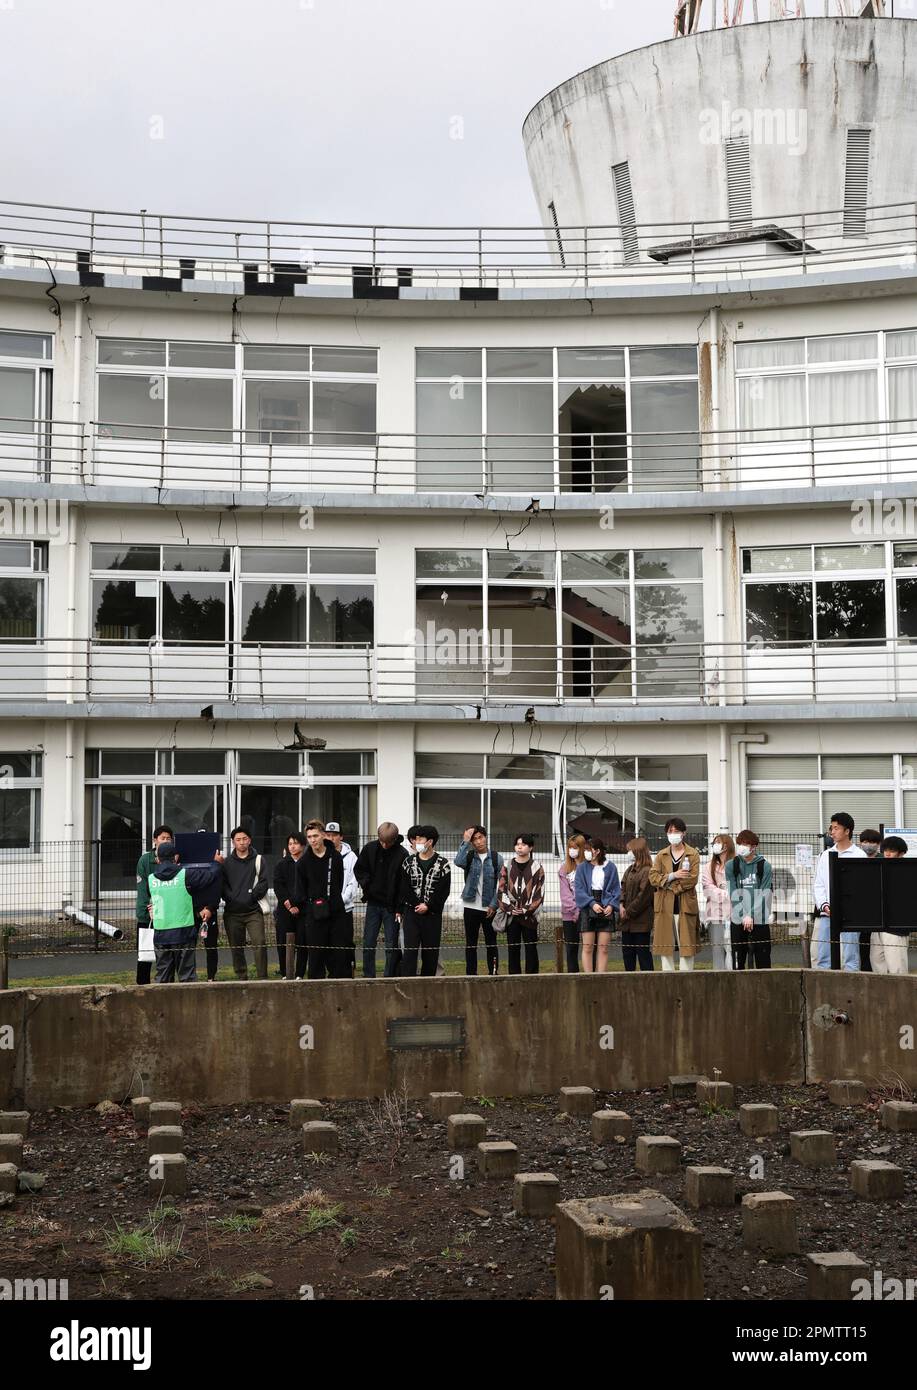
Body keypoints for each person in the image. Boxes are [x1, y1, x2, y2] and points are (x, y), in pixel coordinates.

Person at [148, 841, 223, 983]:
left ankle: (164, 1005)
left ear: (157, 859)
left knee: (163, 977)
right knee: (187, 977)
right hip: (184, 933)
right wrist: (216, 863)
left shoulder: (151, 879)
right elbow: (209, 877)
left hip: (161, 934)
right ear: (175, 858)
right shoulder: (185, 875)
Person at [812, 812, 866, 971]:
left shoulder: (859, 855)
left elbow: (861, 887)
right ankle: (823, 990)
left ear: (847, 831)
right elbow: (819, 884)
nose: (832, 832)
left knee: (850, 956)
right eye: (831, 828)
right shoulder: (825, 855)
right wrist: (824, 905)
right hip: (827, 912)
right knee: (824, 956)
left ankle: (852, 990)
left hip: (851, 914)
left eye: (836, 828)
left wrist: (851, 906)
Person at [354, 822, 409, 977]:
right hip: (373, 903)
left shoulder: (402, 854)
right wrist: (367, 885)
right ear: (378, 837)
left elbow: (403, 885)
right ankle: (368, 976)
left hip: (392, 908)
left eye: (388, 842)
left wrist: (400, 908)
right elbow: (359, 869)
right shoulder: (370, 849)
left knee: (391, 945)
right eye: (382, 841)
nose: (384, 845)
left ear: (395, 839)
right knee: (368, 943)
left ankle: (389, 976)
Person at [298, 820, 351, 979]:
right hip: (314, 913)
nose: (313, 840)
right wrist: (310, 905)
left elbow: (339, 883)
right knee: (316, 955)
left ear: (323, 835)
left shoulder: (335, 857)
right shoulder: (303, 862)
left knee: (339, 954)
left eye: (315, 835)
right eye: (309, 837)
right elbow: (300, 890)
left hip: (335, 910)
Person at [649, 817, 700, 972]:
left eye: (676, 831)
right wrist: (673, 876)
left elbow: (692, 879)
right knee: (665, 948)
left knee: (687, 948)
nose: (673, 834)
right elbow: (653, 877)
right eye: (670, 831)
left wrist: (672, 887)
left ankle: (686, 979)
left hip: (685, 906)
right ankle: (668, 980)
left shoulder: (693, 854)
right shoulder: (661, 854)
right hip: (665, 907)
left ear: (683, 833)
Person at [400, 825, 451, 976]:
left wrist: (428, 906)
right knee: (410, 952)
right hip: (411, 913)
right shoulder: (408, 863)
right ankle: (408, 984)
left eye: (420, 839)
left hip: (432, 915)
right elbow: (404, 888)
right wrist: (417, 904)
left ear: (429, 842)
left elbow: (443, 891)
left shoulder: (443, 864)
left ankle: (429, 985)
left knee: (430, 953)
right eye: (416, 839)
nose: (417, 842)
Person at [222, 826, 270, 980]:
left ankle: (262, 977)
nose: (241, 842)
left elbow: (263, 882)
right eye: (238, 840)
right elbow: (223, 885)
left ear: (249, 840)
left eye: (244, 839)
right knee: (236, 947)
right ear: (233, 842)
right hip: (232, 912)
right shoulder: (226, 863)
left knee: (260, 943)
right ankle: (242, 977)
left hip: (253, 911)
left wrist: (251, 896)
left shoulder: (258, 859)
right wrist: (232, 897)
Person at [455, 824, 502, 976]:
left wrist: (494, 905)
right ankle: (471, 975)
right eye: (474, 839)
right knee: (471, 944)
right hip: (470, 906)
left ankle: (493, 973)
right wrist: (465, 841)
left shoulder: (496, 858)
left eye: (480, 838)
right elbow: (457, 861)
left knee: (491, 944)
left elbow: (502, 885)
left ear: (485, 837)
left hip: (489, 908)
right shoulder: (469, 856)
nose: (478, 842)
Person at [496, 834, 545, 975]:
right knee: (513, 948)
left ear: (530, 847)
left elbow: (539, 893)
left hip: (529, 917)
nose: (519, 847)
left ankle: (532, 977)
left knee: (531, 948)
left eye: (523, 844)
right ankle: (514, 977)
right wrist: (510, 909)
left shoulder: (537, 867)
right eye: (517, 844)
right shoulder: (507, 866)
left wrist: (525, 909)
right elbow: (501, 890)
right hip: (511, 917)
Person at [725, 830, 773, 969]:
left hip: (760, 918)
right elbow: (733, 892)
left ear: (753, 846)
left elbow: (764, 893)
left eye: (746, 844)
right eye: (740, 843)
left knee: (763, 959)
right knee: (738, 960)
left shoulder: (764, 866)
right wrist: (743, 915)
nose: (742, 847)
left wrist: (751, 915)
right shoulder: (730, 865)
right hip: (738, 918)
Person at [135, 824, 174, 985]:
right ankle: (142, 984)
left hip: (169, 915)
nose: (165, 841)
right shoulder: (145, 860)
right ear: (155, 841)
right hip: (148, 914)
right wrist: (149, 908)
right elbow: (143, 889)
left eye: (168, 839)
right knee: (145, 953)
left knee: (168, 954)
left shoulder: (175, 859)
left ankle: (166, 983)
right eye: (162, 838)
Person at [574, 837, 620, 973]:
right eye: (585, 850)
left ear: (598, 851)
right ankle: (588, 978)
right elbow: (579, 889)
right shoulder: (582, 867)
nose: (586, 852)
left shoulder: (610, 867)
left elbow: (616, 889)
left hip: (606, 906)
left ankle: (601, 977)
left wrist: (611, 905)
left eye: (589, 850)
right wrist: (592, 903)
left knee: (603, 947)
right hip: (588, 906)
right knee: (587, 947)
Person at [872, 836, 911, 975]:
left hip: (897, 927)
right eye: (885, 850)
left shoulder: (909, 871)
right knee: (877, 965)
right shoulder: (879, 869)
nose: (887, 853)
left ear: (901, 853)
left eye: (892, 850)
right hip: (877, 925)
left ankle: (903, 996)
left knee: (897, 968)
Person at [325, 820, 359, 978]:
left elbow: (353, 882)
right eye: (328, 835)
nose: (331, 838)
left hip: (344, 909)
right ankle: (332, 973)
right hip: (326, 908)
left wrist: (340, 900)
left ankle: (347, 973)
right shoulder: (322, 854)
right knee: (328, 943)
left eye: (334, 835)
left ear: (341, 836)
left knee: (344, 942)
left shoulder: (351, 856)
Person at [273, 832, 308, 979]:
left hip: (304, 908)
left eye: (295, 843)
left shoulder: (307, 863)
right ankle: (285, 972)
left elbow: (309, 886)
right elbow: (278, 886)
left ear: (302, 845)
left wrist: (298, 905)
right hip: (284, 909)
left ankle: (300, 972)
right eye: (290, 844)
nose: (292, 846)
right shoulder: (282, 864)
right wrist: (289, 905)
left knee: (303, 942)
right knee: (283, 941)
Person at [618, 836, 655, 972]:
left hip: (641, 922)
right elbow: (622, 887)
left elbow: (643, 897)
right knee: (628, 955)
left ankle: (648, 985)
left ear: (638, 851)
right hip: (627, 923)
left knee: (643, 955)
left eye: (630, 850)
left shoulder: (648, 871)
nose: (628, 853)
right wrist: (621, 904)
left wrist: (628, 912)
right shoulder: (630, 869)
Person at [701, 833, 736, 971]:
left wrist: (732, 894)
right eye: (714, 842)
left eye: (718, 842)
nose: (715, 845)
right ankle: (719, 977)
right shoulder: (708, 867)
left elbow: (739, 888)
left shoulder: (736, 865)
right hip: (715, 914)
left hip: (734, 915)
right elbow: (708, 888)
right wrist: (725, 893)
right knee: (717, 951)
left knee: (733, 949)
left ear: (726, 845)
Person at [558, 835, 586, 973]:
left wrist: (582, 908)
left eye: (575, 848)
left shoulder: (588, 867)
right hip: (569, 915)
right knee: (571, 949)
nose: (571, 850)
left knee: (589, 947)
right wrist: (574, 910)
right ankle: (572, 976)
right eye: (569, 848)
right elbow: (565, 894)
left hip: (587, 912)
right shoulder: (564, 868)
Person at [857, 829, 882, 970]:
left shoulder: (883, 860)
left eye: (872, 842)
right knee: (863, 944)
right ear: (860, 843)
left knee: (877, 947)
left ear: (878, 844)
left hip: (878, 910)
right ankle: (865, 969)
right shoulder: (856, 860)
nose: (868, 845)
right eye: (865, 842)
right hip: (861, 911)